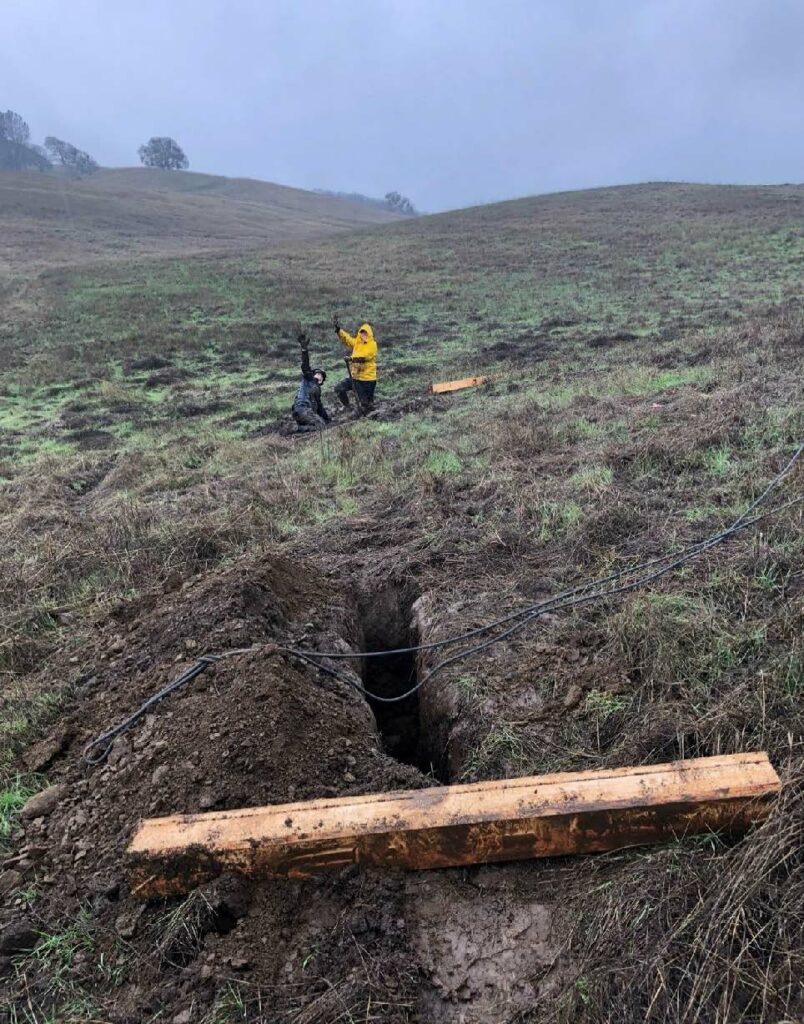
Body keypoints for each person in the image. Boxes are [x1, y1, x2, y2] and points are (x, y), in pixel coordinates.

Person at [333, 317, 378, 413]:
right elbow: (348, 339)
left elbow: (365, 356)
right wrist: (339, 331)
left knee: (367, 404)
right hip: (356, 377)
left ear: (369, 334)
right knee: (339, 388)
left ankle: (370, 416)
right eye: (362, 333)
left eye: (365, 333)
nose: (363, 335)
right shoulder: (357, 343)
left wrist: (351, 359)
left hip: (367, 380)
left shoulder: (372, 345)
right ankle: (348, 407)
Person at [291, 332, 330, 432]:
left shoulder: (317, 390)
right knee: (321, 426)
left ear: (322, 382)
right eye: (318, 373)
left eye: (322, 376)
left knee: (322, 423)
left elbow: (320, 407)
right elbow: (305, 366)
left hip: (305, 412)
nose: (319, 376)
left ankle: (301, 427)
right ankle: (296, 429)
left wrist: (328, 419)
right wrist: (304, 350)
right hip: (303, 408)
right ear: (313, 375)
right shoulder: (308, 379)